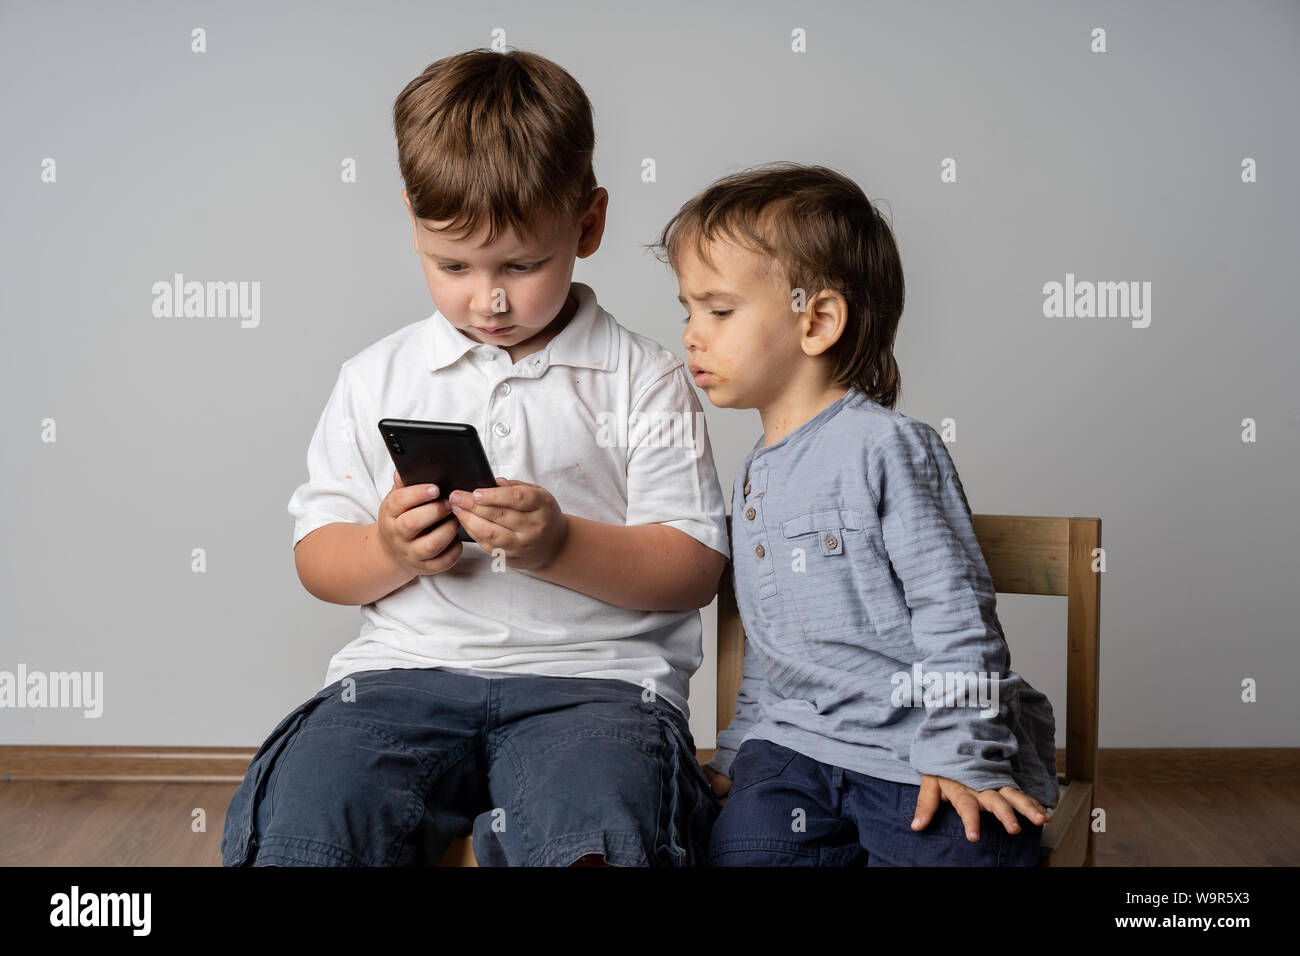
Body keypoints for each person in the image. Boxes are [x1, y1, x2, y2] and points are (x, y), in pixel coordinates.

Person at [221, 48, 729, 867]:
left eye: (522, 266)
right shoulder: (375, 377)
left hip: (597, 688)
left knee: (597, 830)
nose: (487, 298)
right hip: (398, 680)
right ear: (412, 223)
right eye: (451, 265)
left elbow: (693, 566)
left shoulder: (647, 379)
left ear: (588, 226)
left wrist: (562, 545)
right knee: (308, 817)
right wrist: (387, 549)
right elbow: (319, 557)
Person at [652, 162, 1059, 866]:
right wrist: (743, 743)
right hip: (796, 753)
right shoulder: (753, 473)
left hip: (914, 749)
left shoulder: (887, 448)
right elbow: (771, 645)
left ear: (818, 321)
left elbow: (957, 617)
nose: (692, 334)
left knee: (963, 851)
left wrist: (961, 752)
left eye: (717, 310)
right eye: (687, 310)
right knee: (736, 853)